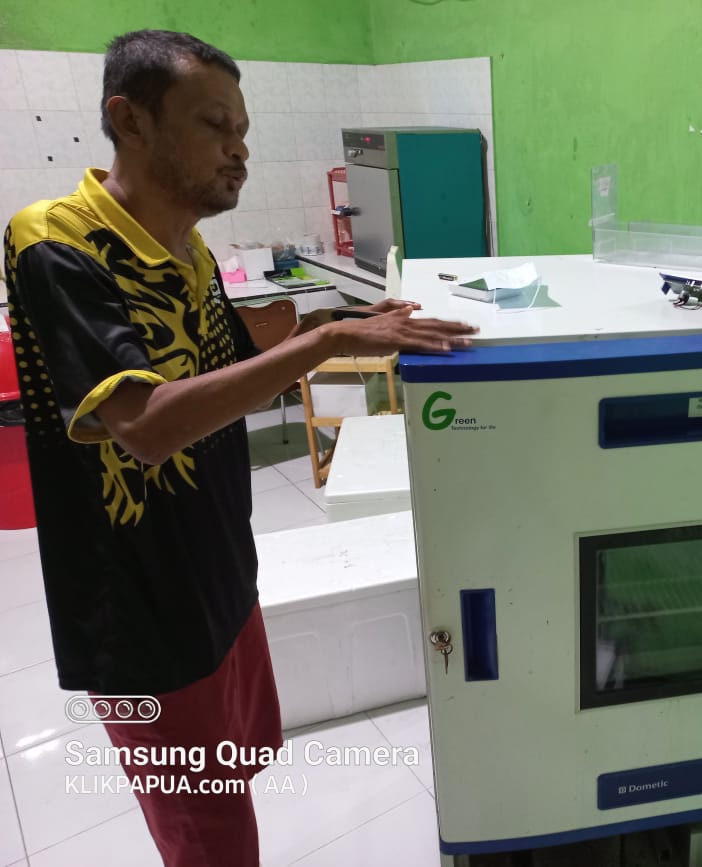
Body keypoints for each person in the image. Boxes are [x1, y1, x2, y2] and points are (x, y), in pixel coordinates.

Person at [2, 30, 475, 867]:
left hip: (221, 573)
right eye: (216, 124)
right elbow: (147, 425)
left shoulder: (191, 252)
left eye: (242, 127)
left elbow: (231, 379)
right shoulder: (56, 244)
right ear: (131, 121)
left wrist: (338, 328)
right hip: (140, 614)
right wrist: (327, 345)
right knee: (209, 837)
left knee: (238, 775)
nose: (240, 148)